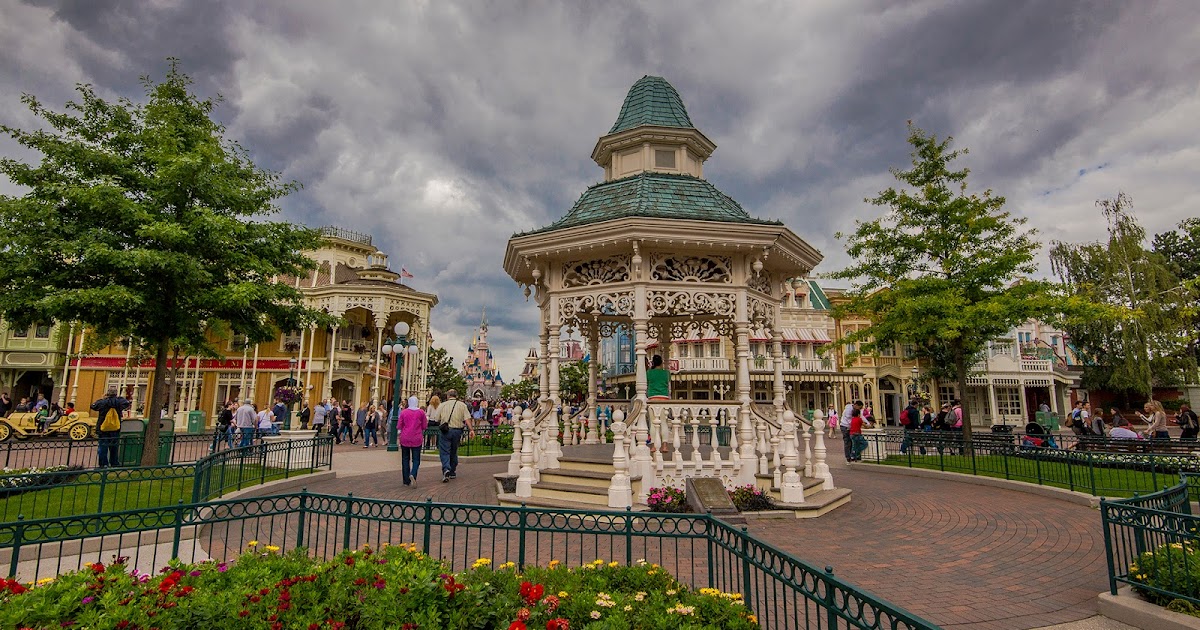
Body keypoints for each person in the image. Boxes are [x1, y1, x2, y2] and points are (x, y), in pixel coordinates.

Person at [436, 389, 474, 483]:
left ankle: (446, 469)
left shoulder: (442, 405)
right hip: (457, 431)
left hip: (446, 431)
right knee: (454, 450)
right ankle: (452, 471)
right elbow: (467, 418)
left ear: (448, 396)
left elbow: (437, 418)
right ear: (456, 396)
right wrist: (471, 430)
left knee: (445, 451)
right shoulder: (462, 405)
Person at [90, 387, 130, 467]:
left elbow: (93, 406)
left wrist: (104, 398)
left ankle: (103, 464)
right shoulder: (119, 402)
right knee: (114, 448)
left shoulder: (102, 402)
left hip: (103, 428)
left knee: (102, 447)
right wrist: (117, 398)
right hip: (115, 428)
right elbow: (127, 403)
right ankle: (114, 463)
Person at [398, 396, 428, 486]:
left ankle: (406, 480)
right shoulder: (421, 412)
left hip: (405, 437)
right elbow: (424, 426)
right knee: (416, 459)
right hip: (416, 437)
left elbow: (399, 425)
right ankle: (413, 474)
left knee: (405, 459)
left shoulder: (404, 412)